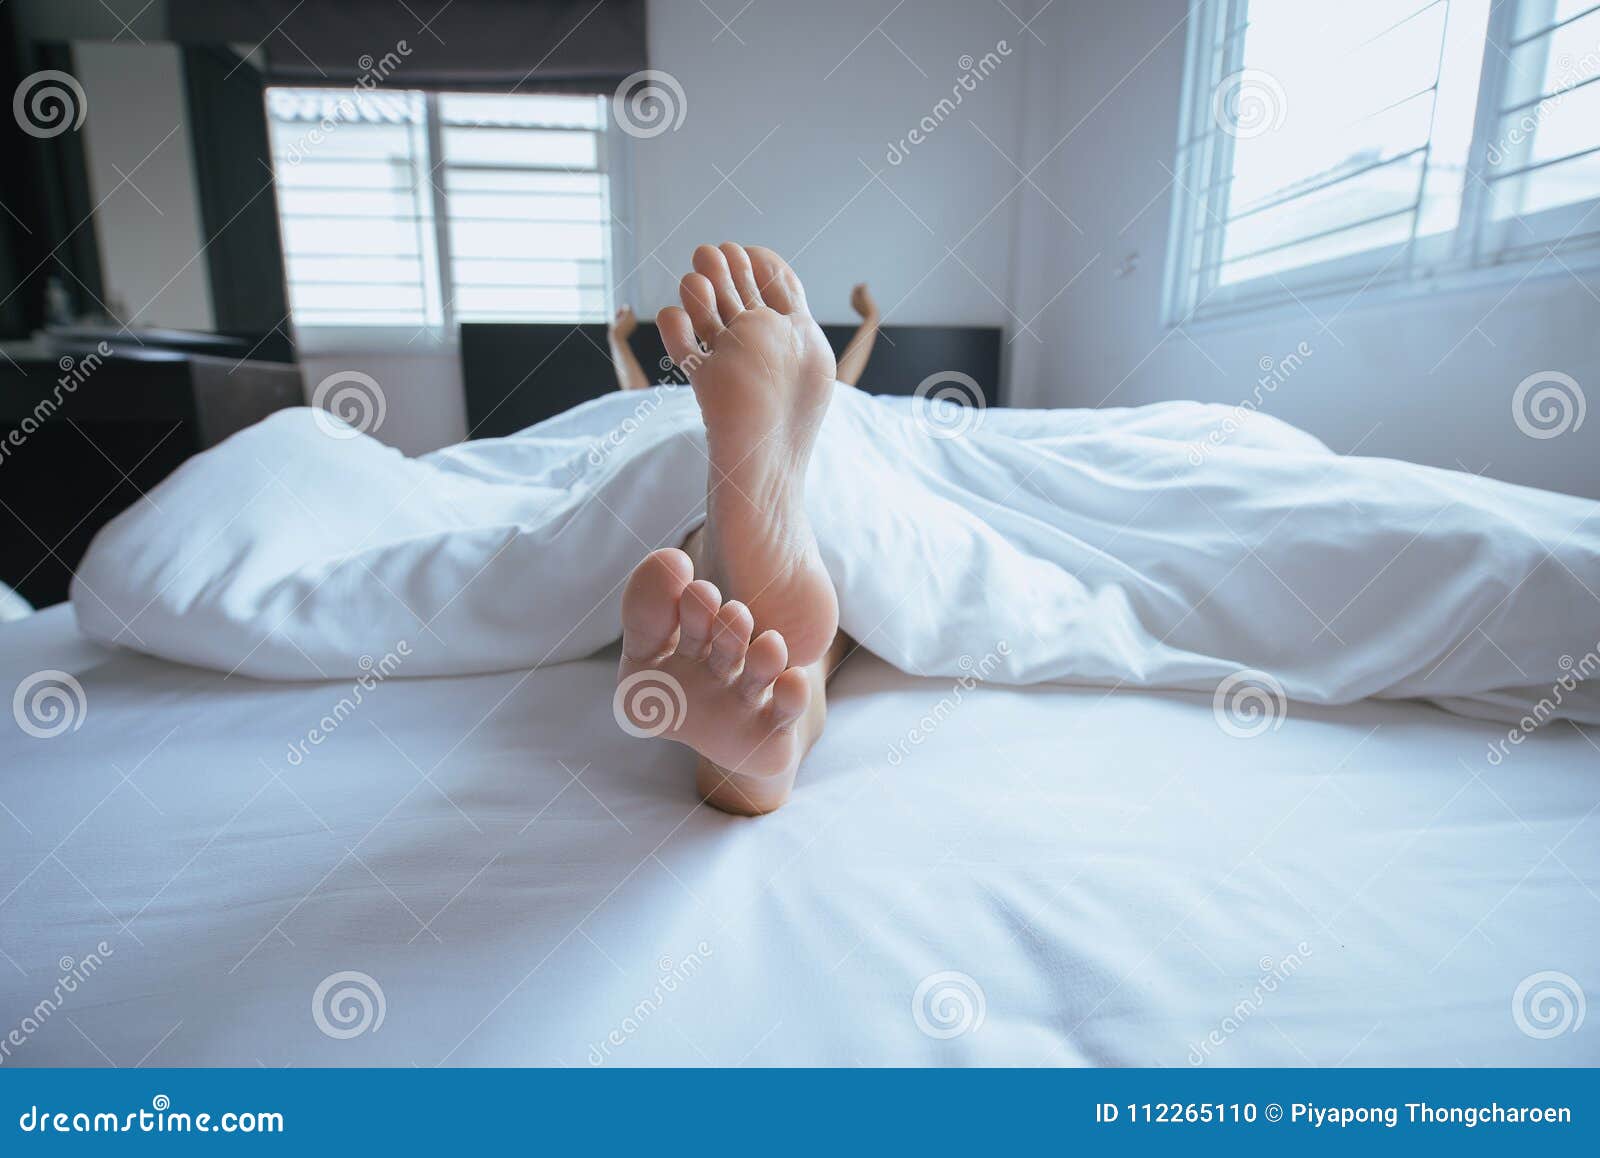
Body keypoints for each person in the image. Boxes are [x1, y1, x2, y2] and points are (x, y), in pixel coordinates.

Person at [606, 280, 881, 394]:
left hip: (678, 429)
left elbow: (635, 399)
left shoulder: (668, 401)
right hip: (809, 416)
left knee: (649, 423)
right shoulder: (811, 397)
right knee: (829, 397)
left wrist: (617, 339)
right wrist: (871, 318)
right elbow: (842, 384)